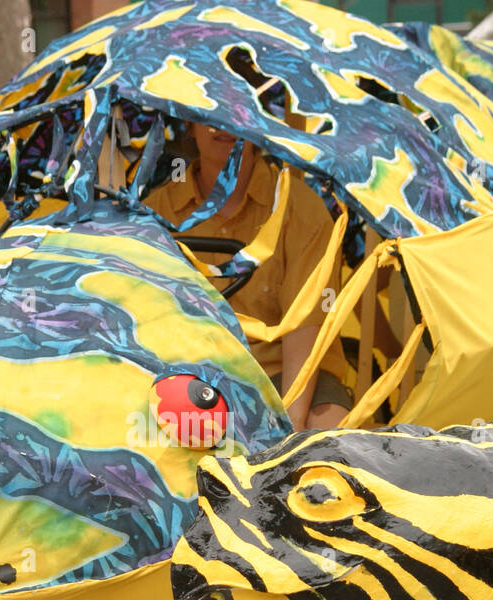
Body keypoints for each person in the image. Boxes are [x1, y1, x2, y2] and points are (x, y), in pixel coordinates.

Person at [146, 123, 350, 429]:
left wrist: (287, 430)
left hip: (282, 373)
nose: (224, 124)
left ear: (255, 124)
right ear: (189, 123)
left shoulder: (299, 206)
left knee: (330, 437)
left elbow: (305, 322)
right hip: (186, 375)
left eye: (236, 113)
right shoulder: (155, 212)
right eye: (211, 113)